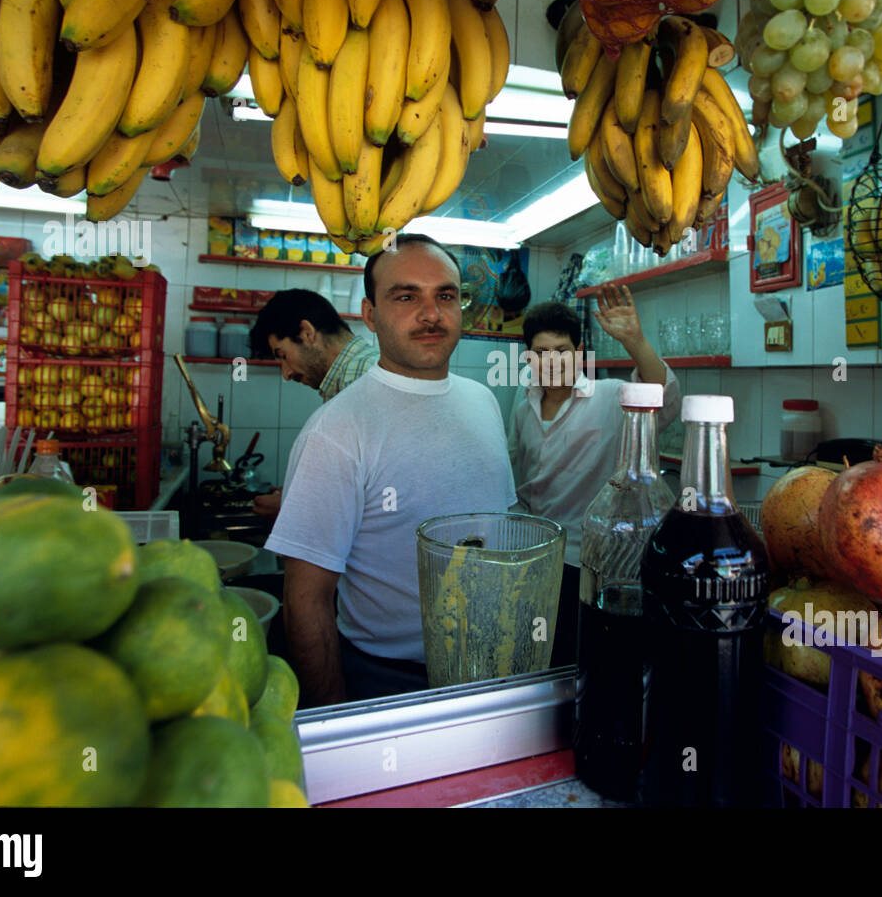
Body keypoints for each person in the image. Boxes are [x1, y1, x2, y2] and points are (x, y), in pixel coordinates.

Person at [265, 235, 516, 707]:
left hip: (490, 665)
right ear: (369, 315)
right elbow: (306, 601)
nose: (431, 314)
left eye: (445, 295)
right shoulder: (337, 429)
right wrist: (336, 717)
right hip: (387, 682)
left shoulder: (483, 402)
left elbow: (498, 530)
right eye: (406, 296)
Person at [508, 285, 680, 667]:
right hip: (536, 560)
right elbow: (519, 475)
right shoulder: (523, 403)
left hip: (591, 563)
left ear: (579, 354)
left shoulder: (608, 396)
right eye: (540, 353)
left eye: (562, 352)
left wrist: (635, 340)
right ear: (528, 357)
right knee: (539, 658)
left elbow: (661, 398)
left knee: (586, 659)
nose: (551, 362)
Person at [248, 289, 379, 517]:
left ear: (307, 333)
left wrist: (294, 505)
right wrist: (297, 493)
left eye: (282, 355)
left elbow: (380, 494)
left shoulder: (360, 380)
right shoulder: (347, 378)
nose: (286, 374)